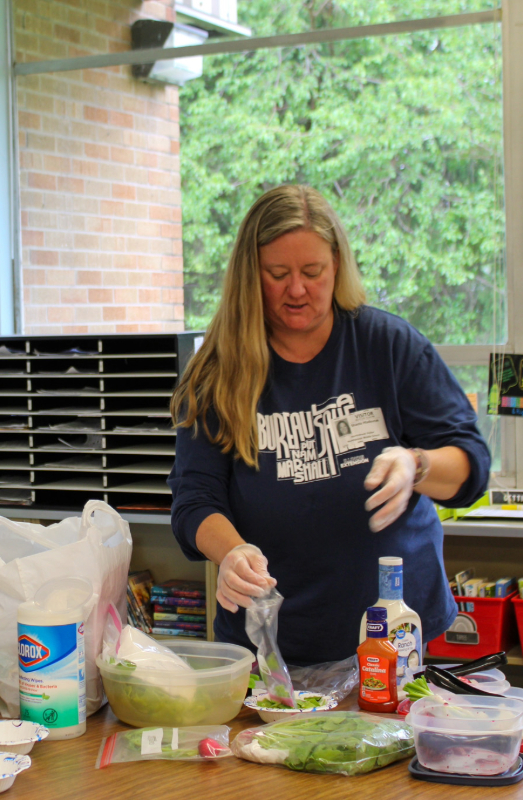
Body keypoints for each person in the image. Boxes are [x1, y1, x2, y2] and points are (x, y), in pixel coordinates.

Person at [168, 184, 489, 666]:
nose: (297, 289)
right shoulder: (220, 368)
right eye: (277, 274)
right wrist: (232, 553)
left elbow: (472, 465)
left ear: (337, 265)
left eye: (312, 271)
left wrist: (416, 464)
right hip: (269, 640)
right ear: (250, 276)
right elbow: (194, 499)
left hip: (393, 638)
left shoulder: (389, 346)